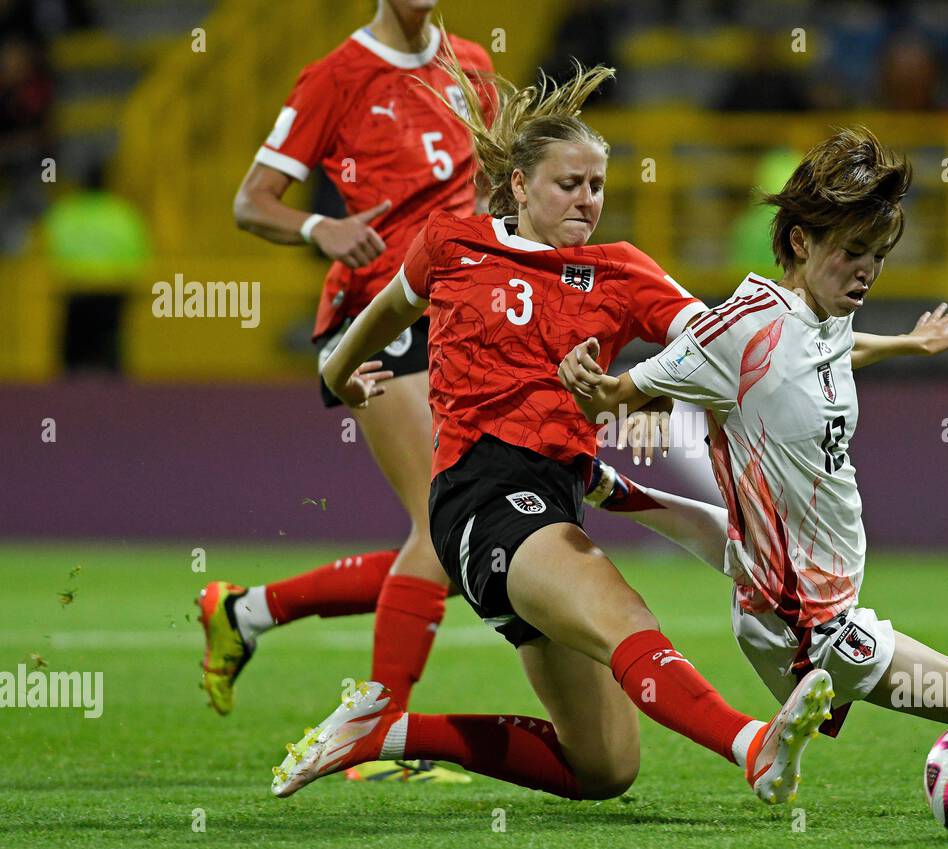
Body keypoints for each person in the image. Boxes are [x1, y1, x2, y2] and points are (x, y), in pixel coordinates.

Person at [269, 54, 834, 806]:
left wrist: (654, 392)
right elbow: (381, 315)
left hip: (554, 498)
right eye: (570, 183)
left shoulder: (620, 271)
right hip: (481, 497)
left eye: (597, 185)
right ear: (519, 185)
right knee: (621, 610)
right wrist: (341, 375)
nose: (586, 199)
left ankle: (386, 733)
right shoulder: (454, 245)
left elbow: (720, 347)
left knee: (602, 767)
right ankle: (753, 745)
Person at [558, 126, 948, 817]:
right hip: (811, 621)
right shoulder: (737, 329)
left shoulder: (824, 314)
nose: (867, 271)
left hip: (792, 581)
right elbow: (625, 393)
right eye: (853, 253)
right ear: (801, 242)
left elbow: (826, 351)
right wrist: (587, 382)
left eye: (878, 256)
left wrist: (907, 343)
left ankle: (609, 490)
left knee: (734, 536)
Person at [198, 0, 495, 783]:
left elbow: (490, 196)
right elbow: (250, 201)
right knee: (443, 532)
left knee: (451, 541)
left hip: (459, 321)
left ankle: (245, 612)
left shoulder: (473, 64)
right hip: (373, 322)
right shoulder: (337, 76)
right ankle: (379, 731)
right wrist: (316, 230)